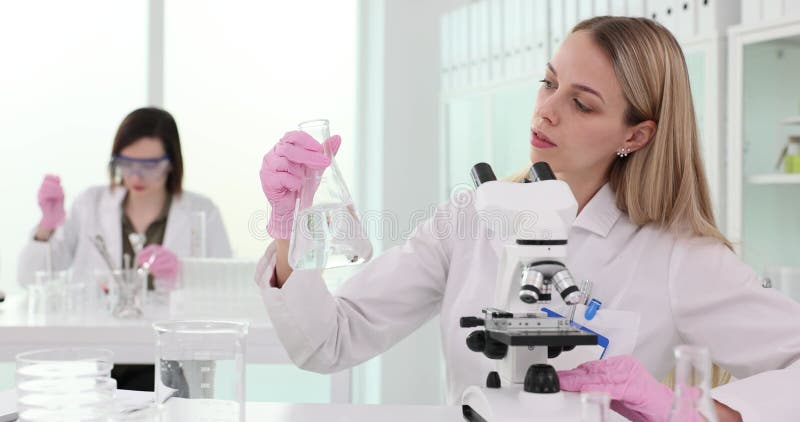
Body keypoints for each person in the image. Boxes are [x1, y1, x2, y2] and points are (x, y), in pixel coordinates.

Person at [255, 17, 800, 421]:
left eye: (582, 104)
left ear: (636, 135)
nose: (547, 110)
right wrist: (289, 223)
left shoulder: (679, 255)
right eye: (548, 82)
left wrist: (697, 413)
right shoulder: (472, 215)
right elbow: (329, 342)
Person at [18, 107, 232, 389]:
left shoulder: (201, 213)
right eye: (126, 163)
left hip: (168, 361)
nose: (136, 176)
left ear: (171, 163)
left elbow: (227, 290)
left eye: (149, 165)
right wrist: (47, 226)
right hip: (98, 360)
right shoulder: (90, 204)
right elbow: (30, 278)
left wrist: (184, 274)